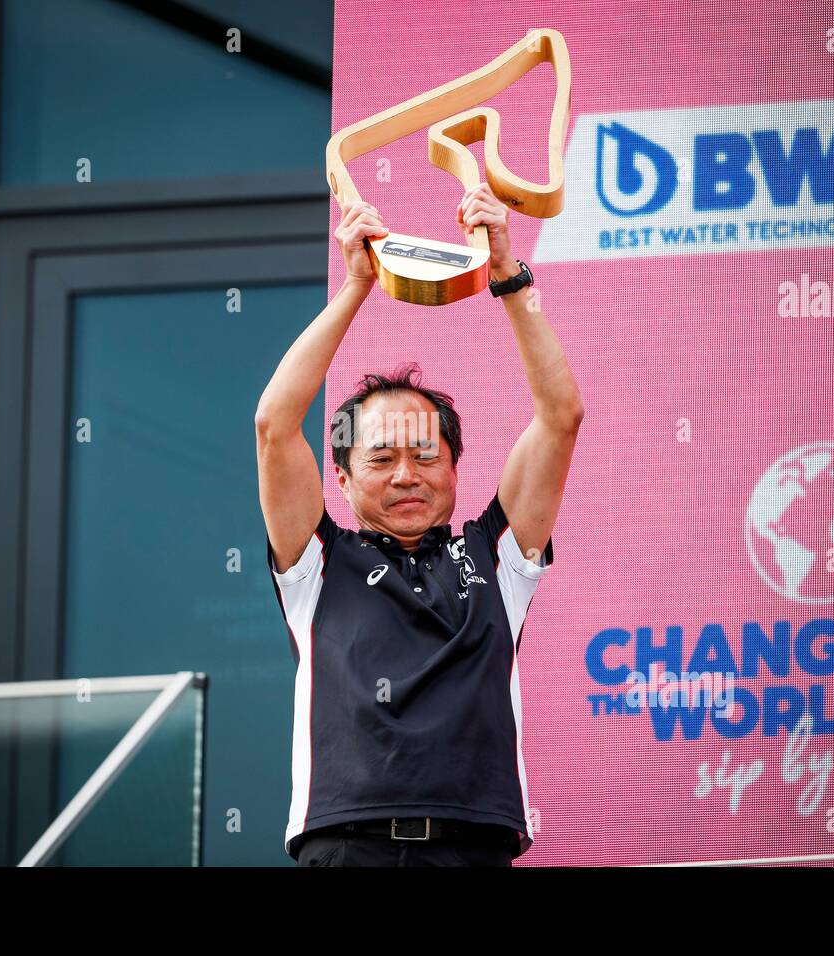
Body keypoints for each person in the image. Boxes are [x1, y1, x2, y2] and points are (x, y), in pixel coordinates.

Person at [255, 182, 583, 866]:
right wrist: (355, 284)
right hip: (347, 847)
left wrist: (507, 276)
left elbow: (560, 418)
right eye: (380, 457)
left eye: (425, 454)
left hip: (476, 848)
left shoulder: (497, 559)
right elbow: (275, 424)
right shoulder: (316, 565)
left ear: (456, 470)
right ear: (340, 481)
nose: (406, 474)